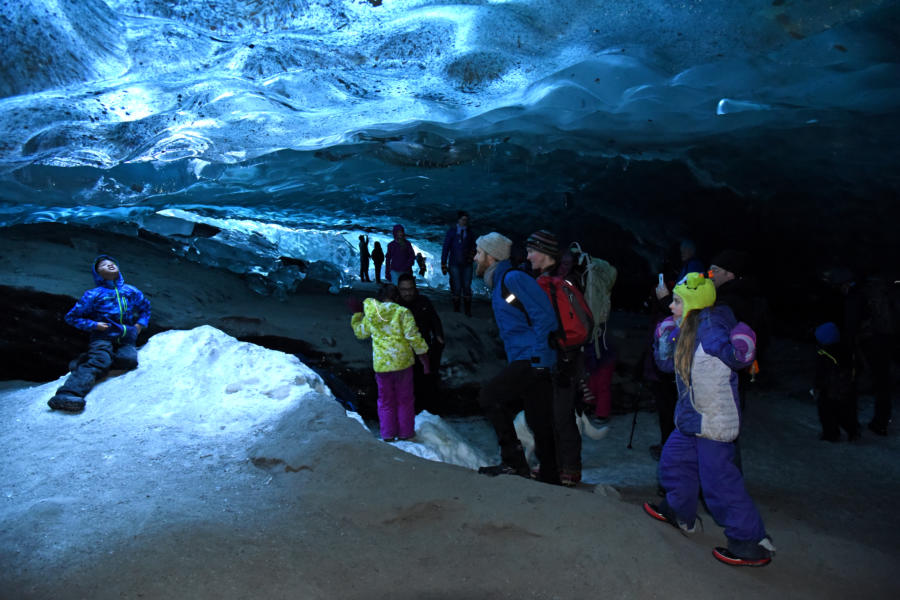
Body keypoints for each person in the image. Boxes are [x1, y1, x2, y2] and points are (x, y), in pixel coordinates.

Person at [643, 272, 775, 567]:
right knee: (674, 463)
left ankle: (750, 543)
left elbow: (737, 357)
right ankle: (679, 512)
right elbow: (666, 365)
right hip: (691, 418)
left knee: (720, 484)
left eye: (677, 302)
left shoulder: (711, 328)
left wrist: (744, 341)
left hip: (713, 420)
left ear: (694, 304)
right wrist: (664, 335)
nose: (671, 307)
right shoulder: (687, 327)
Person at [474, 232, 560, 484]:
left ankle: (513, 462)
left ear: (491, 256)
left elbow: (546, 317)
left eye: (479, 252)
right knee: (538, 418)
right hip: (527, 357)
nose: (475, 257)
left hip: (532, 357)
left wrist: (539, 357)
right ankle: (550, 477)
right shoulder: (500, 282)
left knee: (489, 396)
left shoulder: (513, 278)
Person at [48, 256, 152, 412]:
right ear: (97, 274)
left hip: (126, 338)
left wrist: (139, 324)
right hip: (102, 337)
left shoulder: (131, 291)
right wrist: (94, 325)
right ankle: (68, 394)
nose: (109, 265)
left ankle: (85, 361)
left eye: (112, 263)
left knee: (129, 361)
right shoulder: (93, 294)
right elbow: (72, 317)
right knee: (100, 361)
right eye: (103, 265)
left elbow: (146, 307)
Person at [525, 230, 583, 486]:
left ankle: (567, 466)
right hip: (569, 355)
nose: (528, 257)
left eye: (531, 251)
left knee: (558, 414)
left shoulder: (544, 285)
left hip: (558, 357)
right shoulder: (564, 282)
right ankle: (562, 465)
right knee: (559, 412)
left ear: (545, 254)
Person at [350, 284, 430, 441]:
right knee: (405, 400)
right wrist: (424, 358)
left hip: (382, 367)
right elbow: (413, 337)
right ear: (397, 297)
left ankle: (387, 434)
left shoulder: (372, 314)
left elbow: (361, 333)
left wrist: (357, 315)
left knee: (385, 401)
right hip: (403, 364)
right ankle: (406, 432)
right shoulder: (402, 312)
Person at [397, 273, 445, 413]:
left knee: (425, 383)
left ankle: (427, 411)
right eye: (404, 290)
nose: (407, 293)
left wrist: (438, 337)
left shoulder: (423, 302)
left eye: (410, 289)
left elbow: (435, 321)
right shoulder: (395, 306)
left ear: (415, 288)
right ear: (399, 290)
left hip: (423, 349)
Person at [812, 322, 859, 442]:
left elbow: (821, 373)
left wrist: (817, 386)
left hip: (829, 389)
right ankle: (852, 430)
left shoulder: (824, 354)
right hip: (846, 387)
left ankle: (831, 434)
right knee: (845, 411)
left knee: (826, 412)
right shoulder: (846, 350)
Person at [441, 210, 477, 316]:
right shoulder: (452, 232)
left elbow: (474, 247)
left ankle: (467, 311)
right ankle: (457, 310)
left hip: (467, 264)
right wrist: (443, 263)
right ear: (458, 220)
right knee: (456, 287)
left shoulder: (470, 233)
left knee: (466, 286)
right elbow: (446, 248)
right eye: (463, 219)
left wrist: (471, 257)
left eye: (466, 220)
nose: (464, 222)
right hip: (454, 264)